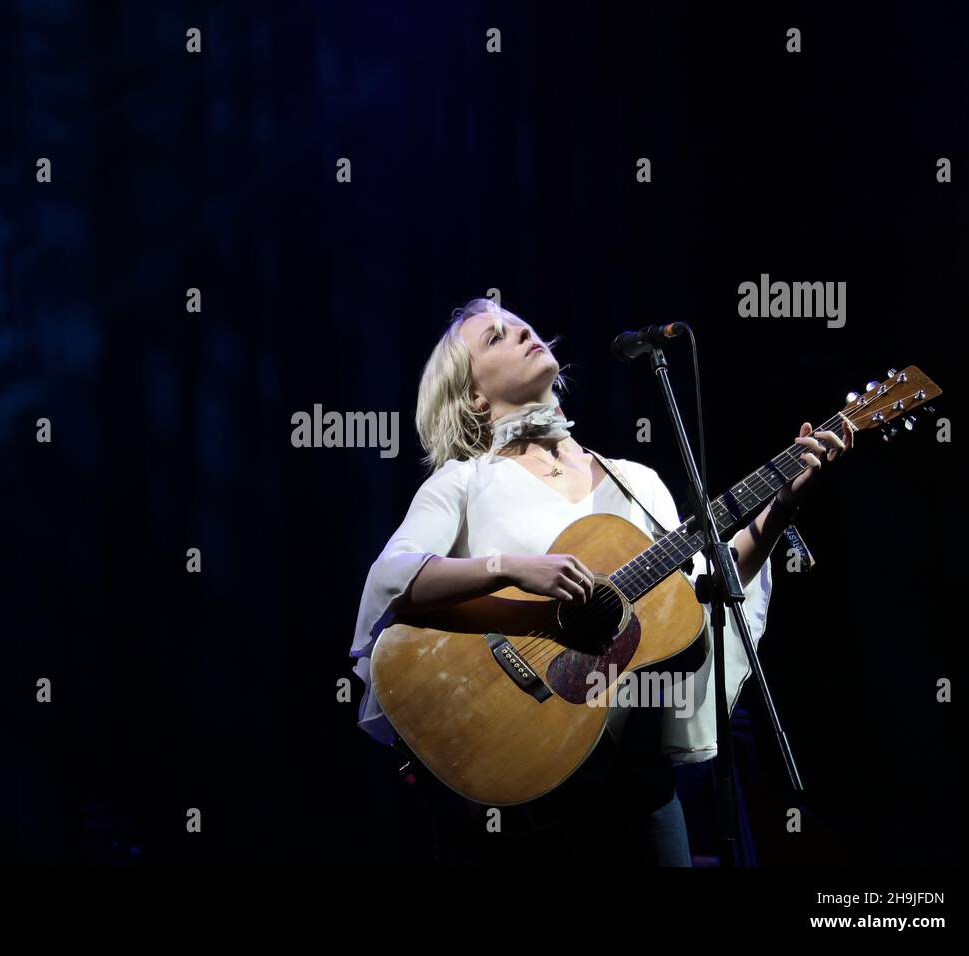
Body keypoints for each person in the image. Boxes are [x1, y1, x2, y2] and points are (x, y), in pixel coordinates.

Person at [349, 297, 851, 865]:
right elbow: (393, 579)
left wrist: (781, 506)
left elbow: (705, 586)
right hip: (520, 758)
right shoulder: (464, 482)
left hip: (633, 772)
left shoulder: (633, 479)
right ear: (472, 395)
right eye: (494, 338)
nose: (521, 334)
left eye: (521, 325)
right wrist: (513, 569)